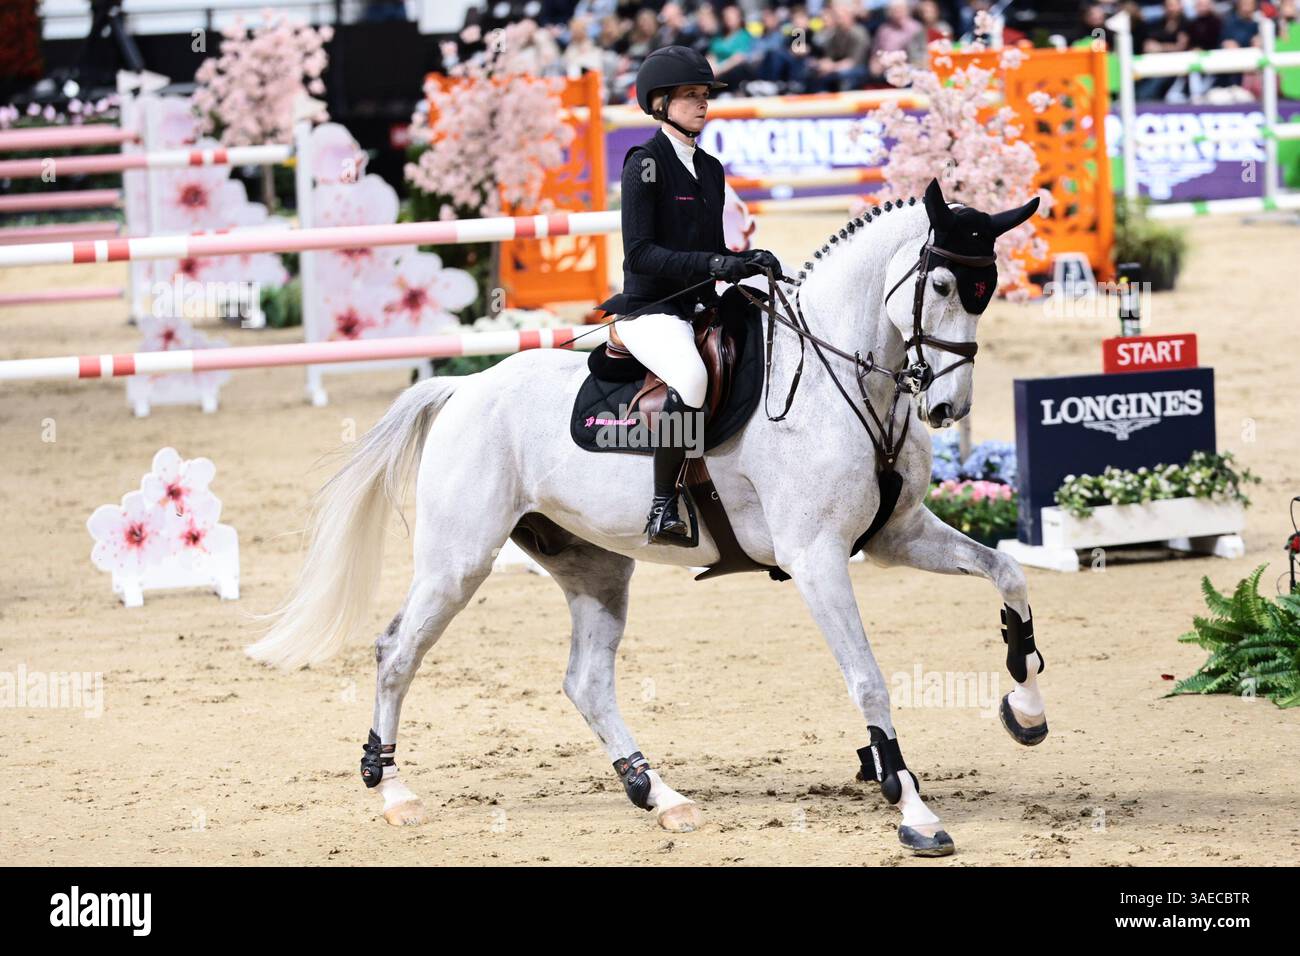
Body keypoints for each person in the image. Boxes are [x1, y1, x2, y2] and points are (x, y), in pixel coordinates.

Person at [595, 46, 782, 546]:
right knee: (693, 377)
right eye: (691, 96)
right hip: (652, 311)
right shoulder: (645, 165)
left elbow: (711, 250)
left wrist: (747, 260)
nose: (703, 104)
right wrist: (714, 264)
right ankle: (663, 505)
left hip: (700, 304)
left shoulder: (712, 169)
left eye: (704, 96)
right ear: (659, 102)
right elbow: (640, 255)